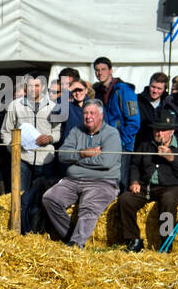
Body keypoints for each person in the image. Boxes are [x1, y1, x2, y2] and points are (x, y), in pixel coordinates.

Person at [41, 98, 122, 248]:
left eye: (92, 113)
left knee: (88, 206)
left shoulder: (112, 134)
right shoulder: (76, 131)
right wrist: (83, 153)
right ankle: (71, 237)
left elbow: (106, 162)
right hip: (73, 180)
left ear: (101, 115)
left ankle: (76, 245)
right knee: (50, 198)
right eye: (85, 113)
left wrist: (75, 162)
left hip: (102, 182)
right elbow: (63, 154)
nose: (88, 116)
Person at [117, 109, 178, 252]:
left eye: (163, 130)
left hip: (173, 186)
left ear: (171, 131)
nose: (159, 134)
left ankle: (166, 243)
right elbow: (135, 164)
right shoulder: (145, 145)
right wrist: (134, 181)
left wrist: (173, 159)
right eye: (156, 130)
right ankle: (134, 240)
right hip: (147, 187)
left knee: (168, 200)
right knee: (125, 199)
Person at [0, 73, 60, 234]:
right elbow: (5, 131)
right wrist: (12, 148)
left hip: (46, 159)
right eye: (31, 85)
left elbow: (58, 131)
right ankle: (19, 230)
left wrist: (50, 137)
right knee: (20, 196)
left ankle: (40, 230)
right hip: (22, 160)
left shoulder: (53, 107)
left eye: (37, 85)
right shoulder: (15, 105)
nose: (34, 89)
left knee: (42, 197)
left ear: (44, 87)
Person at [90, 57, 138, 185]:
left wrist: (120, 143)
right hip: (103, 146)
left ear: (111, 71)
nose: (100, 73)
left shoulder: (124, 90)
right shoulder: (98, 92)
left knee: (119, 182)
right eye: (97, 70)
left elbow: (134, 123)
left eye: (103, 69)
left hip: (121, 146)